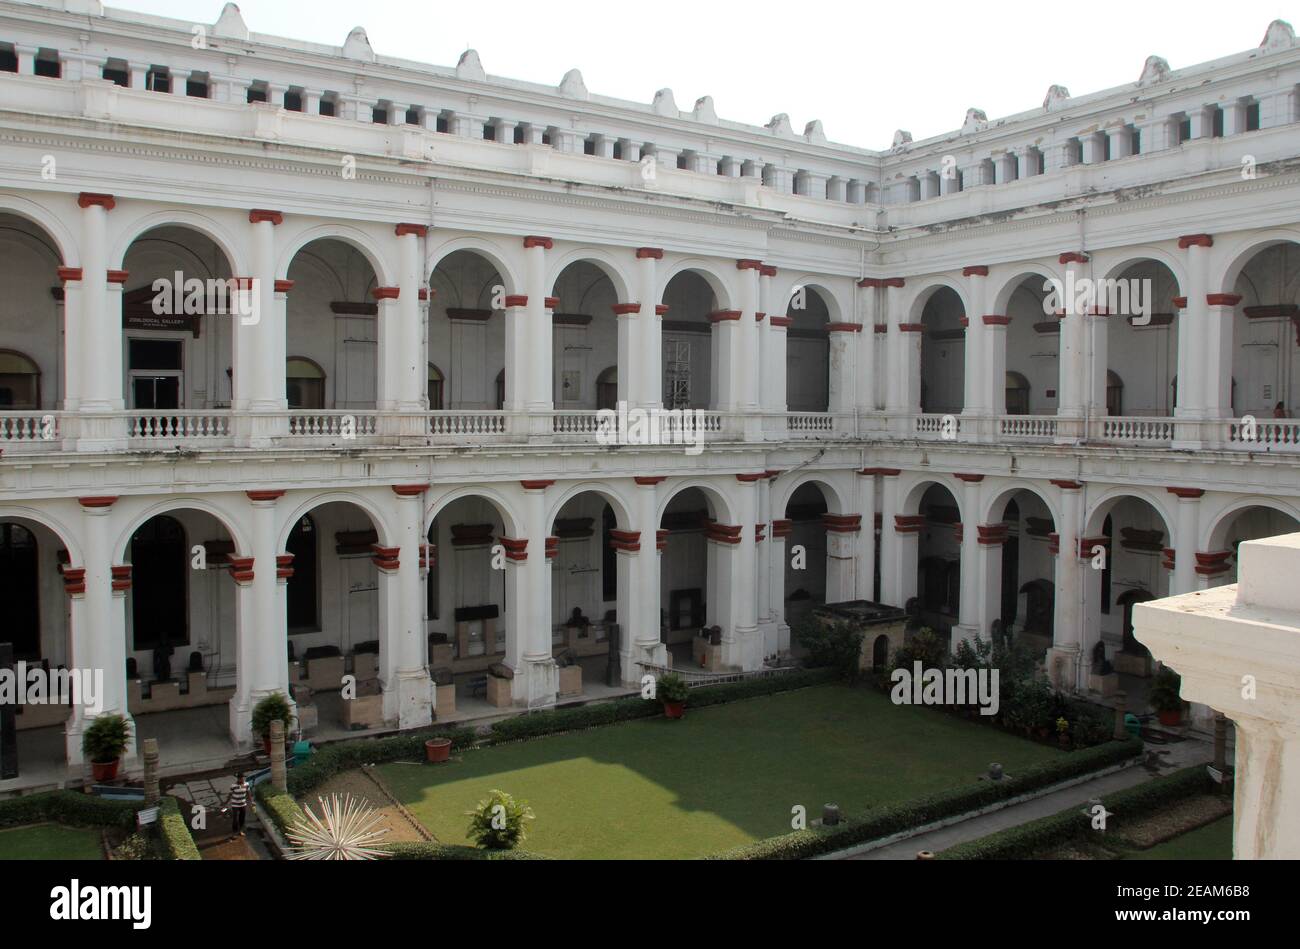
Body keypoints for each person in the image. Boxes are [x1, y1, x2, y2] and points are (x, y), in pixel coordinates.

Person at [225, 772, 250, 839]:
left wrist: (251, 801)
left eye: (243, 778)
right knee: (235, 819)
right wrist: (226, 803)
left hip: (243, 804)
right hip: (235, 805)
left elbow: (248, 792)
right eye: (241, 778)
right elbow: (230, 794)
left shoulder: (246, 784)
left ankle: (240, 830)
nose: (242, 779)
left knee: (242, 818)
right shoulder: (233, 786)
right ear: (238, 778)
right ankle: (234, 833)